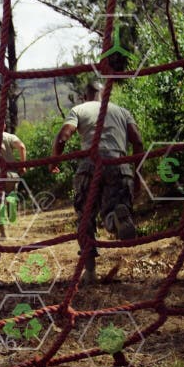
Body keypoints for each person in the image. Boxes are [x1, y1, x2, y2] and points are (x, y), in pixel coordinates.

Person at [49, 82, 144, 285]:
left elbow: (64, 135)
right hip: (119, 164)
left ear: (85, 95)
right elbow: (138, 142)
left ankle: (90, 272)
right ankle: (113, 218)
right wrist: (137, 175)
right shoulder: (121, 111)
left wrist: (55, 159)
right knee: (115, 207)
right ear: (104, 94)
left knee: (85, 217)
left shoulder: (80, 109)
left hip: (90, 165)